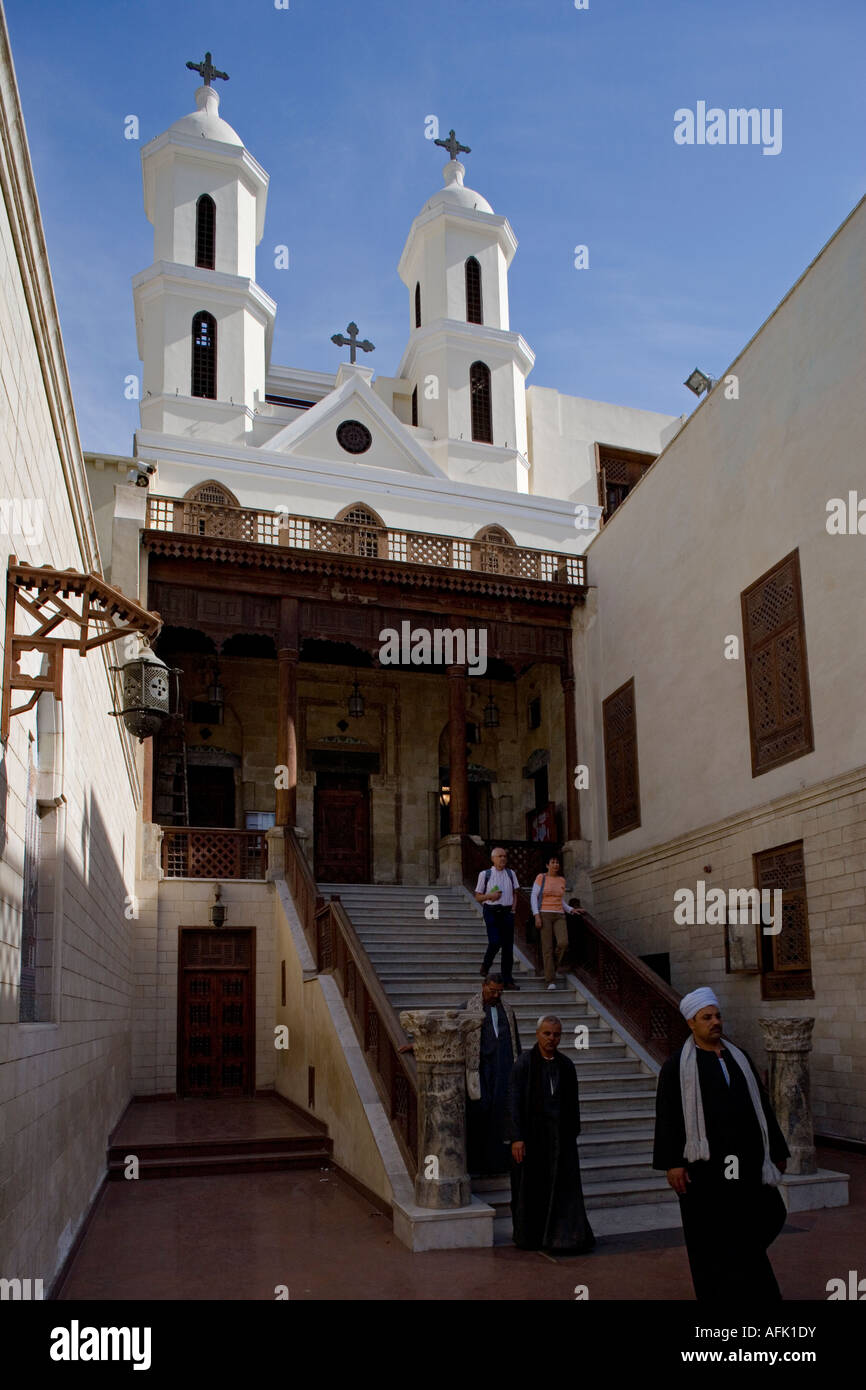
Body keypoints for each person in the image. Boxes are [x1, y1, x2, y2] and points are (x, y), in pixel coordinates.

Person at [653, 986, 790, 1302]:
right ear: (691, 1022)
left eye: (717, 1016)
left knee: (768, 1217)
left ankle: (748, 1286)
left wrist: (777, 1151)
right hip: (705, 1169)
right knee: (710, 1238)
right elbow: (668, 1116)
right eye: (707, 1017)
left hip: (747, 1164)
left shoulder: (738, 1056)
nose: (715, 1022)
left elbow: (762, 1106)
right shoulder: (677, 1067)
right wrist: (673, 1162)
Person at [507, 1014, 595, 1253]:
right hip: (532, 1139)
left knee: (562, 1191)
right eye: (547, 1034)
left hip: (561, 1140)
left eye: (556, 1034)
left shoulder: (566, 1065)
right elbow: (514, 1102)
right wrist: (517, 1137)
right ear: (537, 1034)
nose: (551, 1039)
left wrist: (570, 1135)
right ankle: (531, 1237)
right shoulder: (524, 1064)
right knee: (531, 1190)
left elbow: (572, 1104)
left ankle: (562, 1237)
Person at [464, 973, 521, 1176]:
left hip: (504, 1069)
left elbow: (516, 1042)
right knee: (481, 1113)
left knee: (502, 1115)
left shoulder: (507, 1010)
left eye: (499, 991)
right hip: (481, 1070)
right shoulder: (468, 1007)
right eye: (492, 991)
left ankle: (498, 1163)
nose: (496, 995)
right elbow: (454, 1036)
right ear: (483, 986)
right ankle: (478, 1163)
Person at [474, 846, 520, 989]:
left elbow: (515, 892)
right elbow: (478, 897)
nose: (503, 859)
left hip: (507, 912)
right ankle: (486, 965)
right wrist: (490, 896)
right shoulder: (485, 874)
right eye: (499, 856)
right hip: (491, 910)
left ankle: (507, 979)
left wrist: (513, 907)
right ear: (493, 859)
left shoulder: (511, 874)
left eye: (504, 856)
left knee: (507, 947)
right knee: (495, 941)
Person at [531, 854, 577, 990]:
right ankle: (550, 979)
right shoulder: (541, 877)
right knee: (547, 948)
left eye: (557, 862)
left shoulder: (562, 880)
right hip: (544, 913)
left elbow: (560, 900)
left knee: (563, 943)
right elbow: (534, 896)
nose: (556, 864)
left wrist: (571, 909)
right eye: (553, 862)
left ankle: (552, 967)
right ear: (547, 865)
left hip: (559, 914)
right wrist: (536, 915)